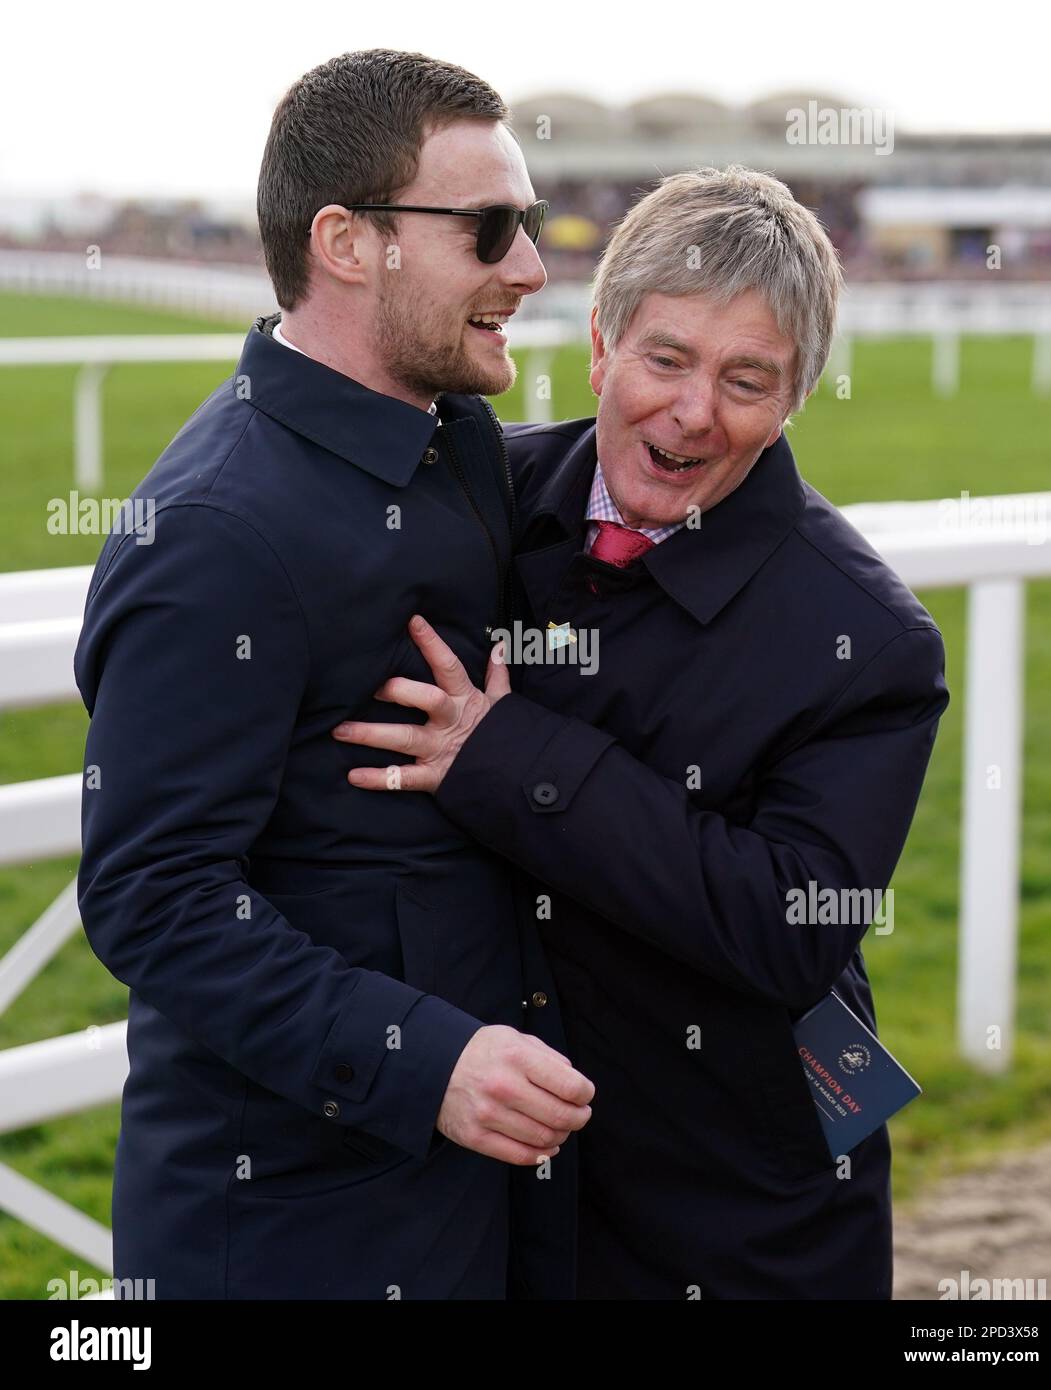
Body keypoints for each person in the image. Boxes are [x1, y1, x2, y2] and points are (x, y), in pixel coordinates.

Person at [333, 164, 951, 1299]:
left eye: (747, 379)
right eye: (667, 358)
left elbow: (787, 925)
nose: (695, 411)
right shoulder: (473, 500)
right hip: (475, 1172)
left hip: (732, 1203)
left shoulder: (869, 640)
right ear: (603, 347)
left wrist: (511, 759)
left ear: (796, 397)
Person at [74, 48, 592, 1301]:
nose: (529, 266)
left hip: (478, 1194)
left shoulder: (454, 438)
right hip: (295, 1228)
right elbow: (154, 894)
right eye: (489, 229)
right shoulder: (214, 532)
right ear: (348, 243)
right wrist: (430, 1061)